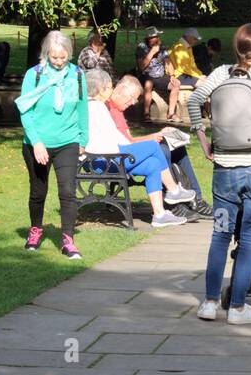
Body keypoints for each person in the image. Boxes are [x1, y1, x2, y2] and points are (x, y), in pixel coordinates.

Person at [189, 24, 251, 326]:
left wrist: (202, 137)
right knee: (248, 239)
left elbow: (194, 100)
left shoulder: (221, 74)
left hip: (225, 173)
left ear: (236, 48)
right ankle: (238, 307)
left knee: (220, 234)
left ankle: (208, 302)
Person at [83, 70, 196, 227]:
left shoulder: (95, 106)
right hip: (104, 160)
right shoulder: (96, 108)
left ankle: (160, 214)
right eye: (109, 87)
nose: (112, 90)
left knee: (152, 165)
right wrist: (141, 145)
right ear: (101, 89)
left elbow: (115, 138)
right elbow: (111, 141)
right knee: (152, 146)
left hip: (106, 158)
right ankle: (173, 190)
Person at [16, 31, 89, 259]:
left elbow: (82, 108)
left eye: (63, 57)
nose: (59, 62)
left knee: (68, 191)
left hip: (67, 141)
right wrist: (36, 142)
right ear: (47, 54)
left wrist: (83, 139)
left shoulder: (77, 75)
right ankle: (35, 230)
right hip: (37, 143)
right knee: (39, 191)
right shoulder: (34, 75)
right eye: (54, 57)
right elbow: (25, 111)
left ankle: (68, 239)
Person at [103, 74, 211, 219]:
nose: (134, 102)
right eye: (133, 97)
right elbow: (125, 145)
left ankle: (196, 199)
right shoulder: (108, 110)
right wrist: (154, 136)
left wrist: (157, 134)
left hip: (128, 151)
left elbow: (129, 139)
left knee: (178, 149)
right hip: (121, 155)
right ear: (121, 90)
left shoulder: (118, 110)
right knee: (162, 150)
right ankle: (174, 205)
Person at [135, 26, 180, 121]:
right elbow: (142, 66)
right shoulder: (141, 47)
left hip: (160, 76)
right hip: (145, 75)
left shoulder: (162, 47)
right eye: (155, 37)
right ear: (149, 39)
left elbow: (168, 62)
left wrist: (172, 75)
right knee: (148, 84)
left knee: (176, 84)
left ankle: (171, 114)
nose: (158, 39)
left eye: (158, 37)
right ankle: (146, 113)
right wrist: (152, 52)